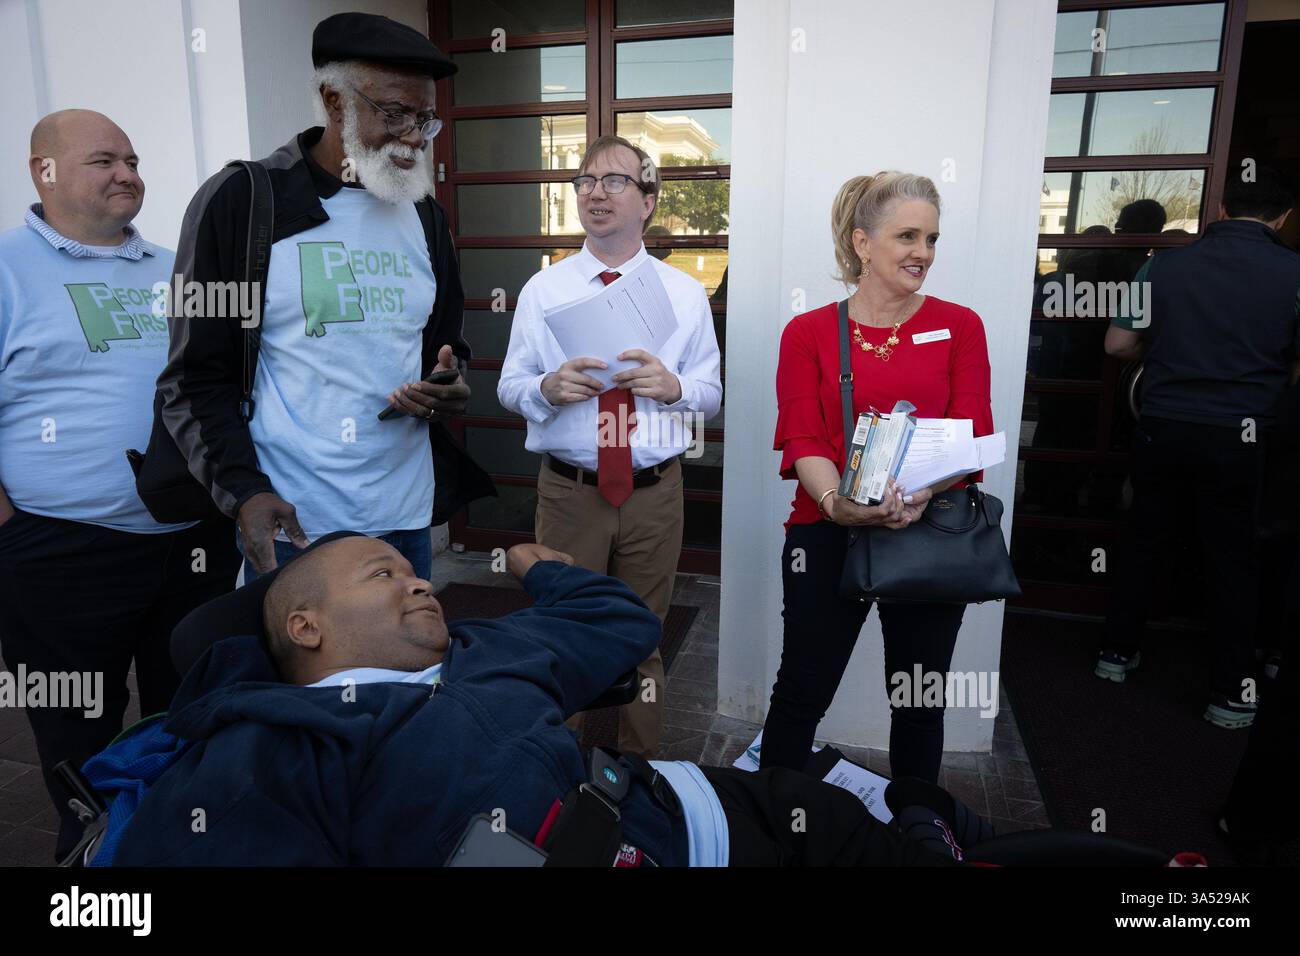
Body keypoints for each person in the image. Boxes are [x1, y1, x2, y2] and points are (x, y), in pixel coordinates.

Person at [105, 533, 958, 867]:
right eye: (384, 574)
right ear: (307, 625)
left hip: (712, 813)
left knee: (901, 827)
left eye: (414, 570)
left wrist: (535, 565)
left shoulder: (489, 648)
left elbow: (618, 617)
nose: (421, 583)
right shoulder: (269, 748)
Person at [157, 12, 492, 584]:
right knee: (299, 673)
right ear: (335, 102)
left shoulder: (425, 215)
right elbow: (195, 377)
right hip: (294, 524)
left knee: (402, 671)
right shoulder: (242, 203)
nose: (414, 135)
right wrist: (244, 493)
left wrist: (447, 385)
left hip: (406, 516)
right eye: (395, 114)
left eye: (426, 118)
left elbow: (443, 345)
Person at [0, 110, 240, 860]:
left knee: (189, 713)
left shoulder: (180, 268)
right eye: (103, 160)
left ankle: (174, 844)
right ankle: (94, 856)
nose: (128, 174)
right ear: (44, 171)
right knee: (78, 726)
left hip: (190, 547)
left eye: (132, 159)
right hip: (62, 553)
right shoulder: (8, 269)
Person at [761, 172, 993, 784]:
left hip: (931, 529)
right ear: (862, 243)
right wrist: (837, 503)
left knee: (918, 699)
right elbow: (803, 438)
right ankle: (776, 821)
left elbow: (972, 436)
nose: (924, 252)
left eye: (933, 238)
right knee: (802, 690)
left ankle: (915, 825)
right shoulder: (808, 332)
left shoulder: (961, 326)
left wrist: (921, 493)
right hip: (827, 528)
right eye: (908, 235)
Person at [497, 135, 722, 758]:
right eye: (586, 181)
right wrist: (546, 386)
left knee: (642, 639)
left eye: (616, 181)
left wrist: (675, 387)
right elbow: (509, 386)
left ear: (648, 200)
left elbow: (712, 393)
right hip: (570, 493)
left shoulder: (682, 294)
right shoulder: (545, 289)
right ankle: (557, 777)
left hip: (653, 494)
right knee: (561, 635)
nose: (597, 193)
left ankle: (638, 772)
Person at [1100, 165, 1300, 729]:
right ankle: (1230, 694)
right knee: (1233, 559)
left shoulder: (1163, 264)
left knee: (1144, 539)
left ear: (1221, 210)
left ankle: (1115, 655)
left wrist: (1169, 355)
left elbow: (1117, 342)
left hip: (1163, 424)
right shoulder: (1293, 271)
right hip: (1244, 434)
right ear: (1283, 217)